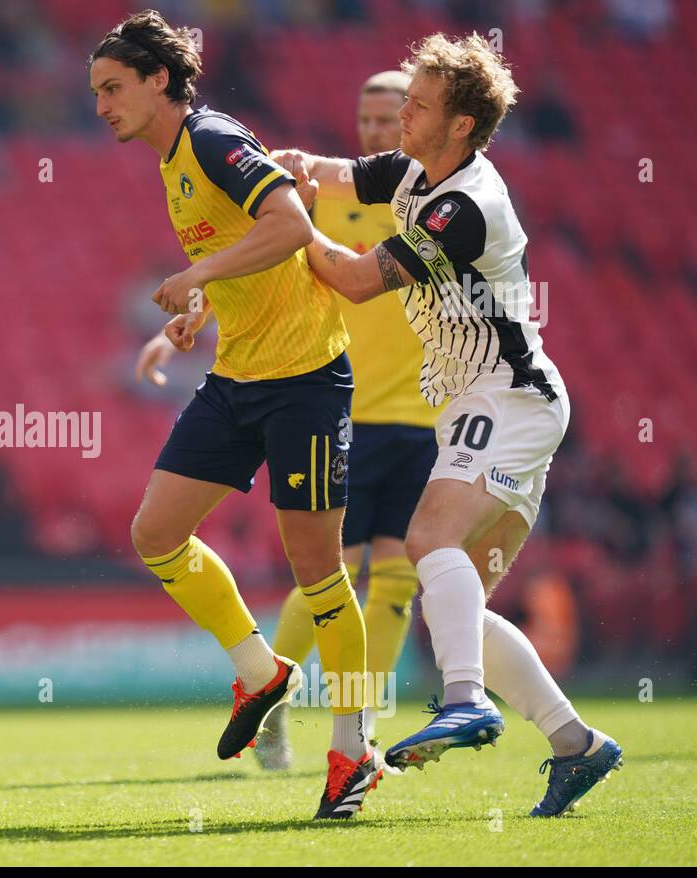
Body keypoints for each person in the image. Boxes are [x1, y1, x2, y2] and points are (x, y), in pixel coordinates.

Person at [275, 33, 621, 816]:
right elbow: (335, 173)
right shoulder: (417, 170)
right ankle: (576, 744)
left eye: (420, 104)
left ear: (460, 126)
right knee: (454, 598)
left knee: (425, 541)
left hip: (507, 398)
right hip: (489, 404)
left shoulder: (463, 207)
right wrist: (280, 168)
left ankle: (465, 701)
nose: (403, 113)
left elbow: (361, 281)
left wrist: (290, 230)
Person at [94, 9, 377, 819]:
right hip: (237, 376)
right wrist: (204, 304)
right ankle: (262, 674)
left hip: (307, 383)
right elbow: (252, 250)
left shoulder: (214, 136)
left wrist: (194, 272)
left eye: (114, 88)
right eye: (97, 92)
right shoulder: (174, 159)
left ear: (160, 82)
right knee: (155, 535)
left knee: (318, 572)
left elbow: (288, 223)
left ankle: (353, 751)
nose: (104, 105)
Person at [260, 70, 440, 772]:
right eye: (363, 119)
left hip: (424, 418)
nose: (372, 131)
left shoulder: (439, 205)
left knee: (396, 580)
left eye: (387, 118)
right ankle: (268, 706)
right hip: (346, 412)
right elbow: (270, 263)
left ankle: (364, 729)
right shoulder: (325, 200)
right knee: (332, 574)